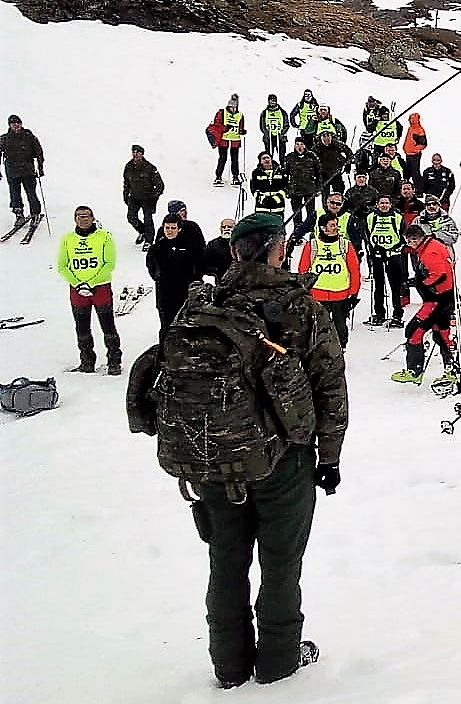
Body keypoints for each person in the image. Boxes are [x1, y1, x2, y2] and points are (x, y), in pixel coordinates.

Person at [134, 212, 345, 689]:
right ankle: (278, 662)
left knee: (225, 561)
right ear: (278, 250)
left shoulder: (202, 304)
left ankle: (228, 665)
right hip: (281, 460)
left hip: (211, 462)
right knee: (280, 562)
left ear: (233, 252)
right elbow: (329, 386)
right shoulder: (300, 307)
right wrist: (328, 457)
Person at [391, 224, 458, 387]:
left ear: (418, 239)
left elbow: (440, 274)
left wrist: (421, 282)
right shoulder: (432, 245)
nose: (409, 244)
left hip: (436, 300)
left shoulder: (430, 251)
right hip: (444, 298)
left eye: (411, 241)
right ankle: (452, 370)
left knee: (413, 332)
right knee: (442, 334)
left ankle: (414, 371)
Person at [58, 206, 121, 375]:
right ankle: (87, 361)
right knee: (82, 328)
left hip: (100, 288)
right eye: (79, 216)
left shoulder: (104, 237)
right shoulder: (68, 239)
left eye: (86, 216)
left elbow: (109, 264)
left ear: (93, 218)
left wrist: (91, 283)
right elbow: (62, 266)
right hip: (78, 290)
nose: (82, 219)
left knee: (108, 326)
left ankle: (114, 361)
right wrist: (77, 284)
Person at [297, 213, 362, 347]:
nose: (336, 228)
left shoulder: (345, 245)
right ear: (323, 228)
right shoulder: (312, 245)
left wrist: (354, 293)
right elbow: (303, 270)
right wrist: (305, 290)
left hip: (340, 295)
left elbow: (354, 270)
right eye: (332, 225)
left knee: (340, 327)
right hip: (317, 294)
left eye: (336, 225)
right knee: (317, 327)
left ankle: (340, 349)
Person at [146, 213, 205, 337]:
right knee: (166, 327)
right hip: (165, 295)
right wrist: (159, 277)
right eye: (167, 228)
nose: (170, 231)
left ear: (179, 229)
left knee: (186, 327)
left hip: (186, 294)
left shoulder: (191, 246)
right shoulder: (156, 248)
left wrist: (194, 282)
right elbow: (151, 267)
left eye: (173, 228)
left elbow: (200, 266)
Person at [364, 195, 408, 328]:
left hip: (393, 256)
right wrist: (373, 249)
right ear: (377, 204)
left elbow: (404, 237)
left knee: (395, 286)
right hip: (377, 256)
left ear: (390, 204)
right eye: (381, 203)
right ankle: (379, 313)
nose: (384, 205)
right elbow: (367, 235)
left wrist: (393, 248)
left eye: (386, 203)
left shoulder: (397, 217)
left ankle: (397, 314)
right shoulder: (371, 217)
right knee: (378, 285)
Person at [2, 114, 44, 225]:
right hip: (12, 171)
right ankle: (18, 214)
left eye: (17, 123)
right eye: (13, 123)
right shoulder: (4, 138)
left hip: (28, 170)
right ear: (9, 125)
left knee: (31, 193)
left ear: (21, 124)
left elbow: (39, 152)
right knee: (14, 194)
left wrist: (40, 167)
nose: (16, 125)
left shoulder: (29, 136)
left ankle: (35, 214)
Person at [122, 144, 164, 248]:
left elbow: (160, 185)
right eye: (134, 152)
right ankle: (142, 231)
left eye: (138, 152)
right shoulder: (129, 166)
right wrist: (126, 195)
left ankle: (149, 240)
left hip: (147, 198)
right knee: (131, 217)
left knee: (148, 219)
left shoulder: (149, 167)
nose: (135, 154)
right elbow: (126, 183)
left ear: (142, 154)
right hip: (134, 197)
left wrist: (154, 197)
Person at [283, 136, 320, 233]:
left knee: (311, 213)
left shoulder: (312, 156)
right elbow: (284, 175)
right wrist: (286, 189)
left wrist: (318, 188)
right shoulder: (289, 157)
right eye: (297, 144)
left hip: (310, 190)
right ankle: (298, 232)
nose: (299, 147)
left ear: (305, 146)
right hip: (295, 191)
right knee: (297, 213)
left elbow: (318, 172)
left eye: (301, 144)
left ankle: (311, 231)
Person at [210, 94, 247, 186]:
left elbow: (241, 126)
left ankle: (235, 176)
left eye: (235, 107)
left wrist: (242, 131)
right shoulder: (222, 113)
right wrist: (225, 128)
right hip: (224, 139)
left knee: (235, 159)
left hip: (235, 140)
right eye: (231, 107)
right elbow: (216, 124)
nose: (233, 109)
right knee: (223, 158)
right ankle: (218, 176)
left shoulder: (240, 115)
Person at [250, 151, 289, 217]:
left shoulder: (281, 172)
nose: (266, 160)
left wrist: (277, 198)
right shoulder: (256, 173)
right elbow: (254, 189)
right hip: (261, 207)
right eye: (263, 158)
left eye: (268, 158)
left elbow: (286, 187)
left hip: (278, 207)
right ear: (260, 161)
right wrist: (262, 199)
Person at [259, 93, 290, 162]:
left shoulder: (282, 112)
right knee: (269, 154)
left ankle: (283, 168)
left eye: (274, 101)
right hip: (269, 137)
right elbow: (262, 125)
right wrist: (266, 133)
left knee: (281, 155)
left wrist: (282, 133)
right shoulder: (264, 113)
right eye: (270, 101)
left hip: (280, 137)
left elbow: (286, 124)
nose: (272, 102)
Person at [400, 111, 429, 180]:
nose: (410, 120)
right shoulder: (411, 128)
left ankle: (418, 188)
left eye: (411, 119)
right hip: (408, 154)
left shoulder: (419, 130)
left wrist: (414, 150)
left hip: (414, 155)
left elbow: (423, 144)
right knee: (408, 171)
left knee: (415, 173)